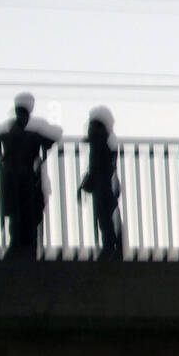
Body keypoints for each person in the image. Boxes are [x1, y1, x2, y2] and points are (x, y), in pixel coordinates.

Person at [0, 93, 62, 259]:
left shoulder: (11, 131)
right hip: (26, 180)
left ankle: (18, 248)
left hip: (14, 179)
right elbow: (53, 138)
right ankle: (25, 249)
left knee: (19, 216)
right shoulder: (31, 133)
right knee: (26, 216)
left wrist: (0, 155)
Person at [77, 106, 123, 259]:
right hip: (103, 182)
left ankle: (110, 246)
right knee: (105, 215)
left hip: (103, 183)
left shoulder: (101, 141)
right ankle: (113, 245)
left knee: (104, 216)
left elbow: (98, 164)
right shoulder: (106, 140)